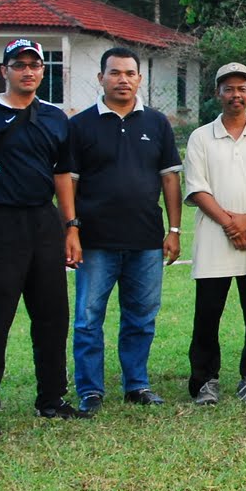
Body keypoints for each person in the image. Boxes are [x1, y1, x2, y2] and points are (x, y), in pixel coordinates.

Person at [0, 38, 81, 435]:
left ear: (44, 72)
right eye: (19, 64)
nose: (28, 71)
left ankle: (51, 399)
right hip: (1, 224)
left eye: (35, 65)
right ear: (4, 70)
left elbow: (63, 175)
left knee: (52, 317)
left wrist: (70, 227)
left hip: (44, 223)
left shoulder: (56, 117)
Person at [68, 46, 182, 414]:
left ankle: (137, 384)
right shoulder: (80, 125)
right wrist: (70, 228)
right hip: (95, 241)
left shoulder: (157, 124)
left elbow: (169, 180)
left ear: (140, 79)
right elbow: (67, 182)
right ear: (100, 77)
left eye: (129, 73)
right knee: (88, 319)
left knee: (141, 317)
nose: (122, 79)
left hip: (146, 239)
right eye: (115, 73)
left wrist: (174, 229)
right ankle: (90, 390)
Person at [184, 62, 246, 405]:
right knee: (207, 315)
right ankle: (203, 381)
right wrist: (231, 224)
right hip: (215, 240)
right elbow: (198, 190)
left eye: (242, 89)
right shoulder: (201, 137)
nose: (235, 95)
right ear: (218, 93)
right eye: (228, 89)